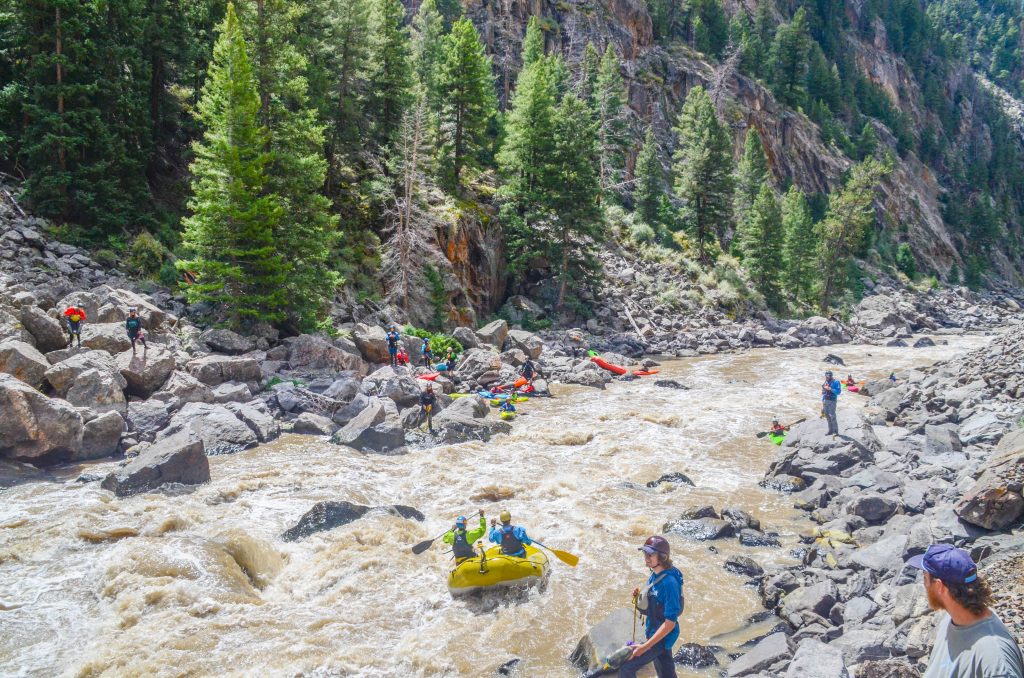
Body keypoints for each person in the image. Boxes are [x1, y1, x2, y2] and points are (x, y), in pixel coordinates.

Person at [909, 543, 1024, 678]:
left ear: (939, 586)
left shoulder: (996, 663)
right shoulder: (950, 621)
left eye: (925, 578)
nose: (924, 585)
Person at [619, 536, 684, 678]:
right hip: (653, 630)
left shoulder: (670, 583)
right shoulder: (654, 574)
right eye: (645, 553)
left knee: (626, 668)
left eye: (650, 554)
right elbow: (654, 605)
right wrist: (639, 598)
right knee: (665, 672)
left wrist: (644, 647)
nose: (646, 558)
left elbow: (670, 624)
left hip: (661, 636)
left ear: (662, 557)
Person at [821, 370, 841, 436]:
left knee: (832, 416)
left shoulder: (836, 382)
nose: (827, 377)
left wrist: (830, 389)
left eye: (828, 376)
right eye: (826, 376)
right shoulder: (826, 382)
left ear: (831, 376)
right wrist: (822, 400)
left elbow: (838, 392)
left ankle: (836, 431)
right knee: (827, 415)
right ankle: (830, 430)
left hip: (832, 401)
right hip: (825, 400)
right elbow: (823, 392)